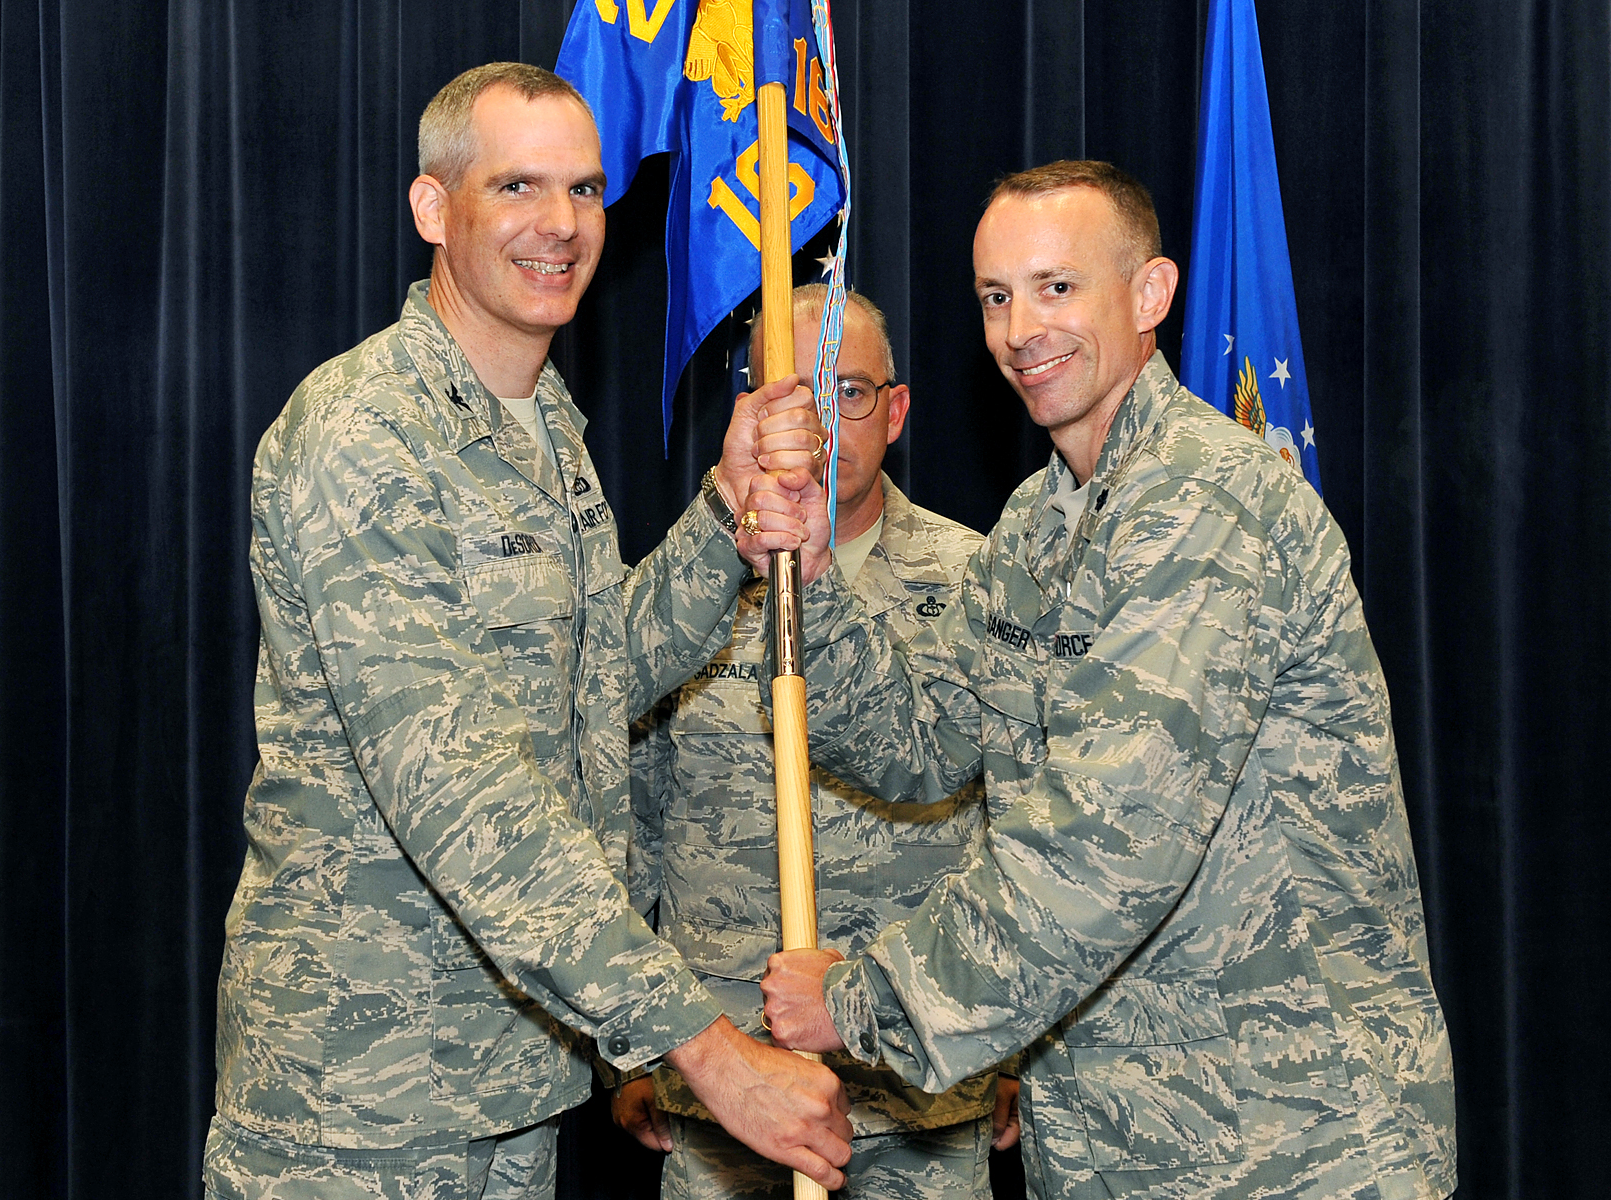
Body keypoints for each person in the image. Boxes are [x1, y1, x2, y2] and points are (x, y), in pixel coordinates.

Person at [203, 63, 850, 1200]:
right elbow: (456, 788)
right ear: (433, 208)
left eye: (587, 191)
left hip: (507, 1090)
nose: (561, 225)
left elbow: (589, 688)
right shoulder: (366, 433)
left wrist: (723, 521)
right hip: (361, 1103)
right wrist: (702, 1047)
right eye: (517, 187)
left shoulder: (546, 426)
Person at [750, 161, 1458, 1200]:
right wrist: (813, 577)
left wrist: (862, 1003)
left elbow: (1105, 846)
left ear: (1151, 296)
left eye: (1057, 287)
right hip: (1117, 1146)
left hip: (1289, 1146)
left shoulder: (1205, 509)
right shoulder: (1039, 525)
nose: (1021, 328)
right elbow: (923, 739)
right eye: (997, 296)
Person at [612, 285, 1014, 1200]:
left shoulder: (983, 584)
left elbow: (1023, 833)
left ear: (898, 409)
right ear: (750, 411)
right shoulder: (683, 597)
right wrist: (630, 1044)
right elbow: (629, 821)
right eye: (791, 396)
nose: (818, 426)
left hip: (925, 1095)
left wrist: (1017, 1041)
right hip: (727, 1097)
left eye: (851, 394)